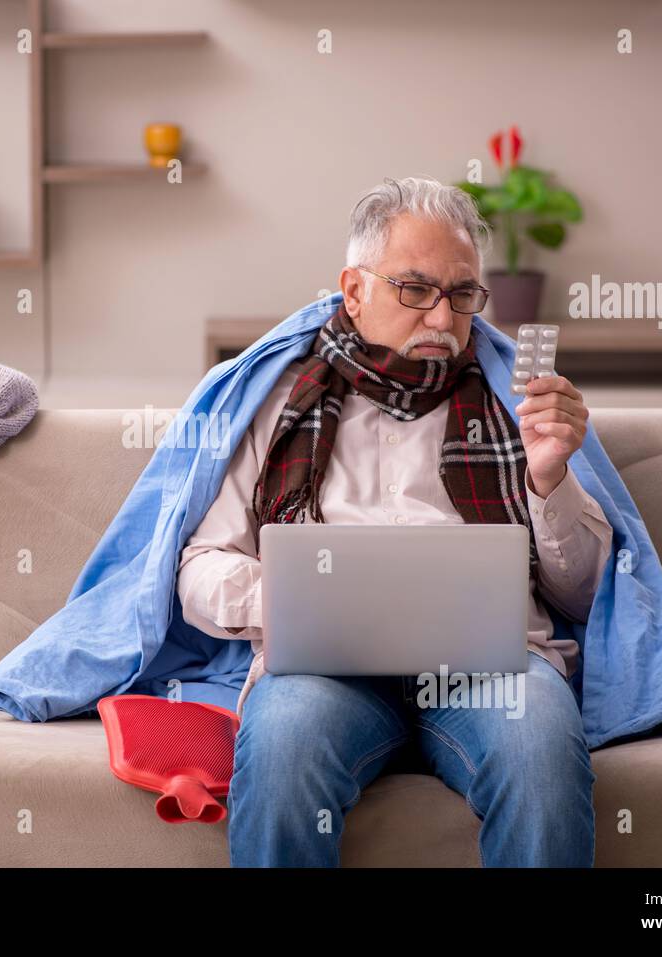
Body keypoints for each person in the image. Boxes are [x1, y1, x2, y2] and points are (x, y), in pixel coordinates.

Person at [175, 176, 614, 867]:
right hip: (324, 671)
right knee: (285, 744)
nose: (443, 319)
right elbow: (198, 570)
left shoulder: (516, 404)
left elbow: (588, 596)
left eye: (462, 294)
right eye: (415, 289)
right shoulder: (280, 403)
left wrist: (549, 475)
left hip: (491, 668)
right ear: (355, 290)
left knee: (539, 749)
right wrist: (294, 599)